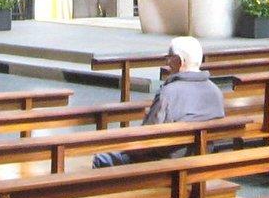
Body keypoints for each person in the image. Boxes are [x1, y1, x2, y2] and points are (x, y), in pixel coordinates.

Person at [92, 35, 224, 167]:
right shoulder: (215, 90)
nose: (167, 62)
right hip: (202, 161)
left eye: (170, 56)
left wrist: (124, 147)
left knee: (101, 158)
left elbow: (147, 138)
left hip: (166, 164)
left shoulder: (168, 93)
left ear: (180, 61)